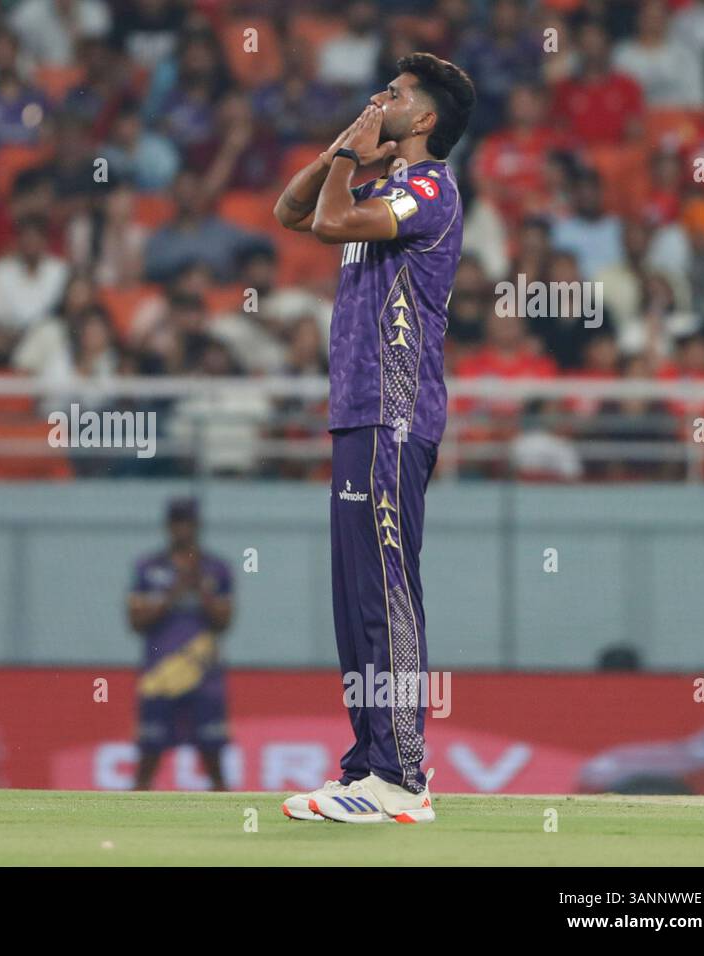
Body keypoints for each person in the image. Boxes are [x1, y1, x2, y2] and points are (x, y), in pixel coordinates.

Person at [273, 53, 476, 823]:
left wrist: (354, 154)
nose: (378, 98)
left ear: (423, 122)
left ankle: (403, 779)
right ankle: (366, 768)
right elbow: (288, 212)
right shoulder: (380, 182)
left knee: (388, 593)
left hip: (395, 415)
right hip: (356, 413)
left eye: (394, 95)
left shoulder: (429, 190)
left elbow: (326, 223)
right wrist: (342, 150)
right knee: (355, 596)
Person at [127, 498, 233, 791]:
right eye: (177, 523)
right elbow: (135, 620)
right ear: (168, 527)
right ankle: (130, 825)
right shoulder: (149, 568)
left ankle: (227, 827)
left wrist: (200, 588)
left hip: (204, 679)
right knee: (147, 760)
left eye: (187, 523)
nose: (182, 530)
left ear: (197, 527)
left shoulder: (215, 569)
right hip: (159, 677)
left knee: (214, 764)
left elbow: (224, 621)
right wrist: (171, 594)